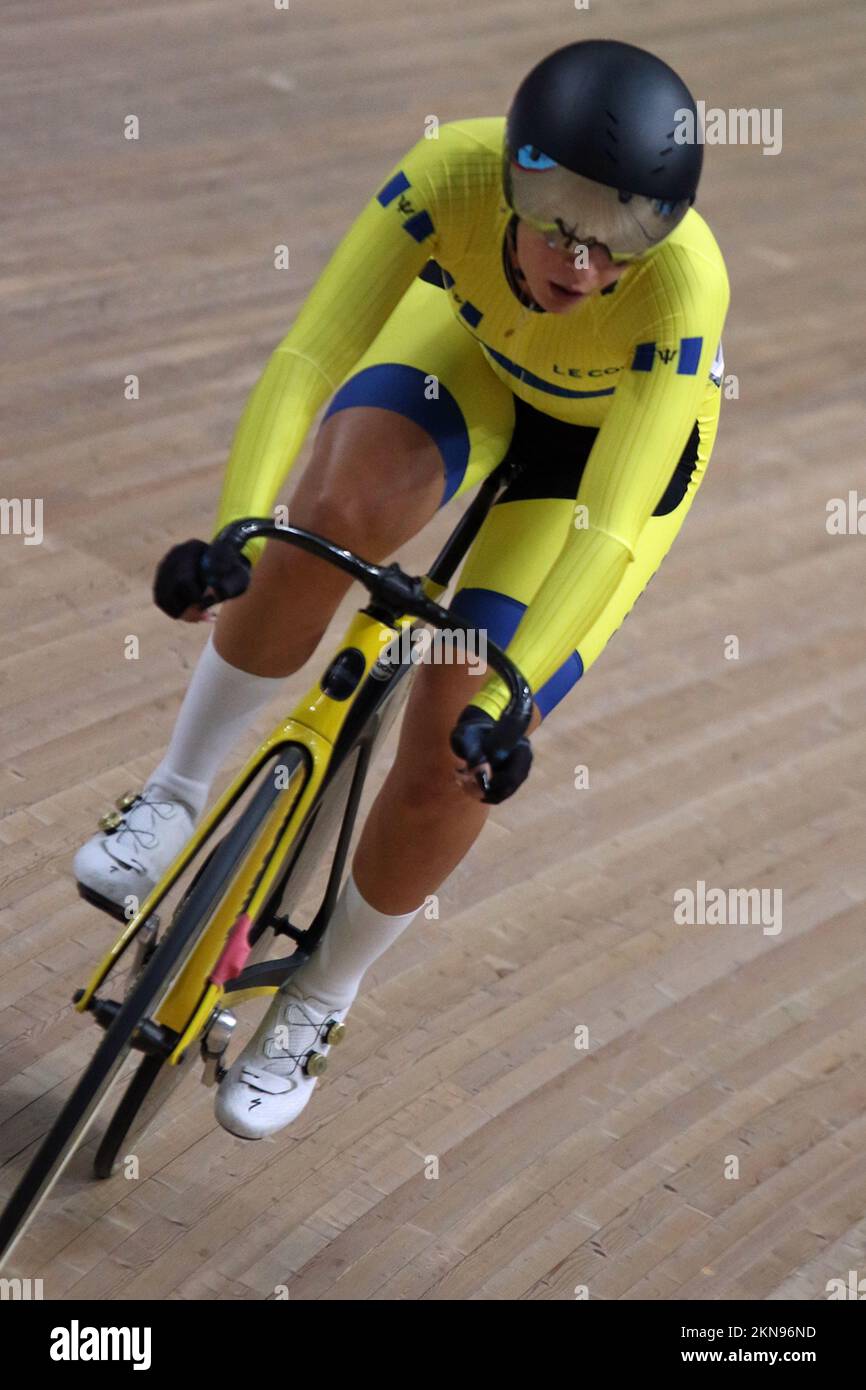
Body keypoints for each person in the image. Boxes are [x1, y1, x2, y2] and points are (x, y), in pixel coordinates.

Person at [74, 39, 729, 1139]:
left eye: (621, 236)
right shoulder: (448, 177)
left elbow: (609, 532)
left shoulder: (681, 289)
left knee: (453, 742)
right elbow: (308, 358)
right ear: (512, 177)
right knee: (323, 520)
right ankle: (172, 795)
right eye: (559, 215)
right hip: (469, 356)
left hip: (595, 463)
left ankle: (319, 996)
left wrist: (505, 698)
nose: (582, 261)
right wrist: (237, 525)